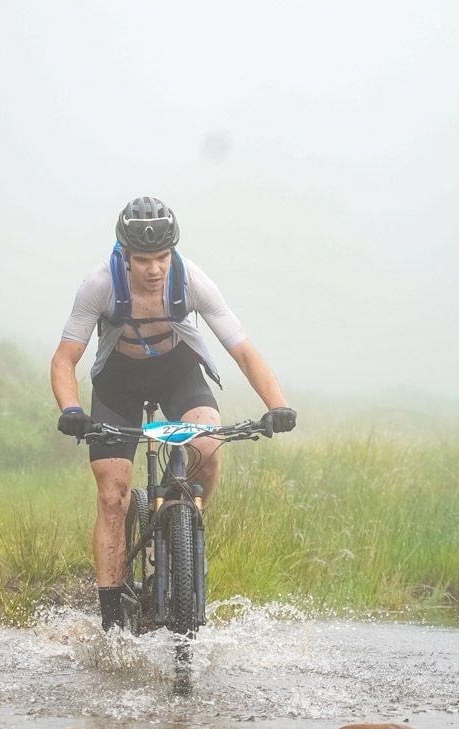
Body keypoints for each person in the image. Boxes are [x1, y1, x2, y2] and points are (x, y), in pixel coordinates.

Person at [50, 196, 296, 631]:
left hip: (177, 373)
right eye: (143, 259)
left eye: (162, 257)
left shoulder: (193, 282)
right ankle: (111, 622)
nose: (154, 269)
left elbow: (242, 350)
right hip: (118, 383)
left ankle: (187, 533)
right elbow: (65, 359)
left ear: (172, 253)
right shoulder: (98, 285)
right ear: (125, 256)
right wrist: (71, 409)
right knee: (113, 494)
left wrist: (276, 404)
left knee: (208, 446)